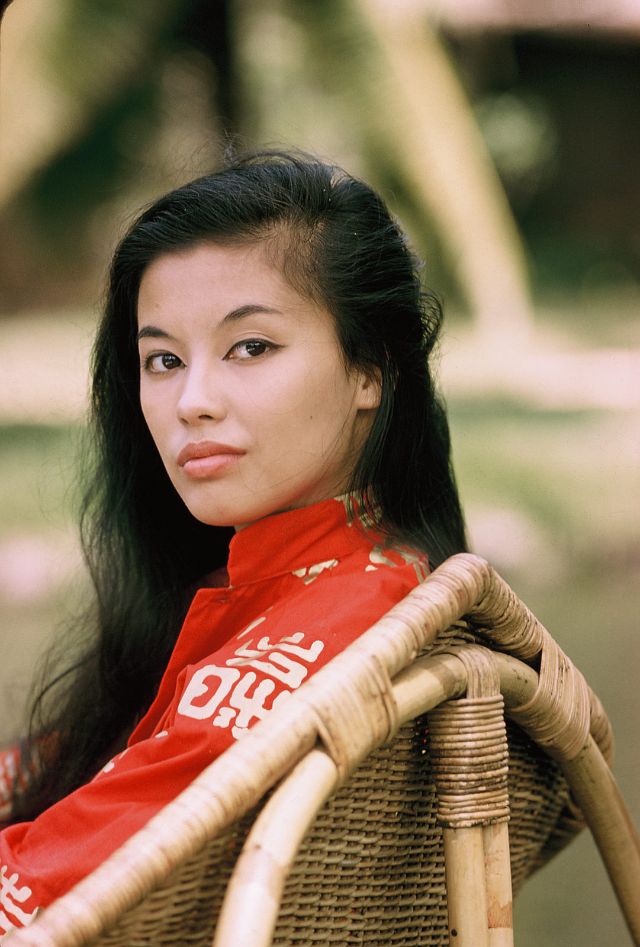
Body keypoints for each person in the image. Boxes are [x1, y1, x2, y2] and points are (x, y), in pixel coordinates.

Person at [0, 150, 468, 934]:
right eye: (163, 359)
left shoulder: (332, 625)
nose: (192, 401)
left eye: (251, 347)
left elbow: (40, 890)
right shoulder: (316, 576)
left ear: (371, 369)